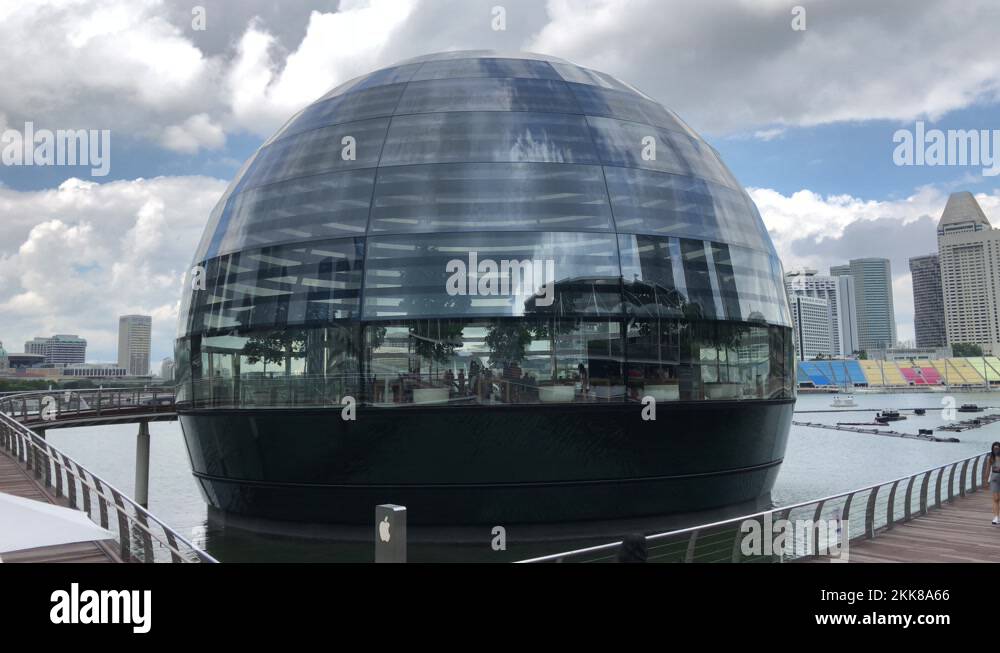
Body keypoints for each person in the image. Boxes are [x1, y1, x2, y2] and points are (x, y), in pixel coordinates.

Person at [990, 442, 1000, 525]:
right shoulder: (991, 458)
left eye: (997, 448)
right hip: (994, 479)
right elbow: (987, 469)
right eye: (994, 448)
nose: (995, 450)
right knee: (996, 499)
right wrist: (985, 480)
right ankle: (996, 517)